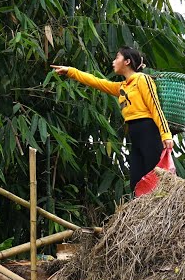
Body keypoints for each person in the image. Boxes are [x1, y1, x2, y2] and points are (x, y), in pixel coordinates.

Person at [51, 47, 174, 193]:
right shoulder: (122, 87)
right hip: (134, 134)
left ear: (127, 61)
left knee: (155, 175)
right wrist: (71, 71)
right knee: (136, 180)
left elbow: (155, 106)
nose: (113, 61)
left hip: (148, 129)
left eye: (117, 57)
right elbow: (96, 82)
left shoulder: (142, 79)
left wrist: (166, 134)